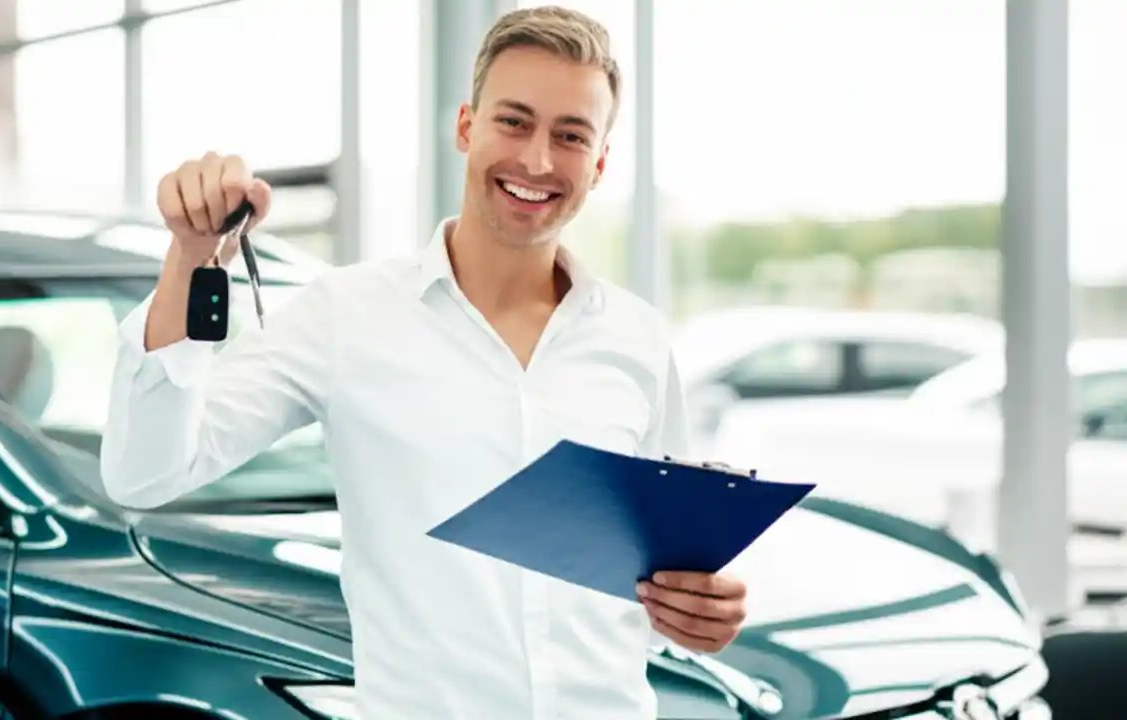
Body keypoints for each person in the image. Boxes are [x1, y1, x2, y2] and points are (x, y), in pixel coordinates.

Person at [101, 6, 747, 719]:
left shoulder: (636, 338)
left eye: (570, 136)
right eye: (514, 121)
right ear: (466, 127)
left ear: (597, 164)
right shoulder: (347, 316)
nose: (536, 160)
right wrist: (191, 257)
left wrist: (701, 609)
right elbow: (147, 472)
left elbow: (667, 565)